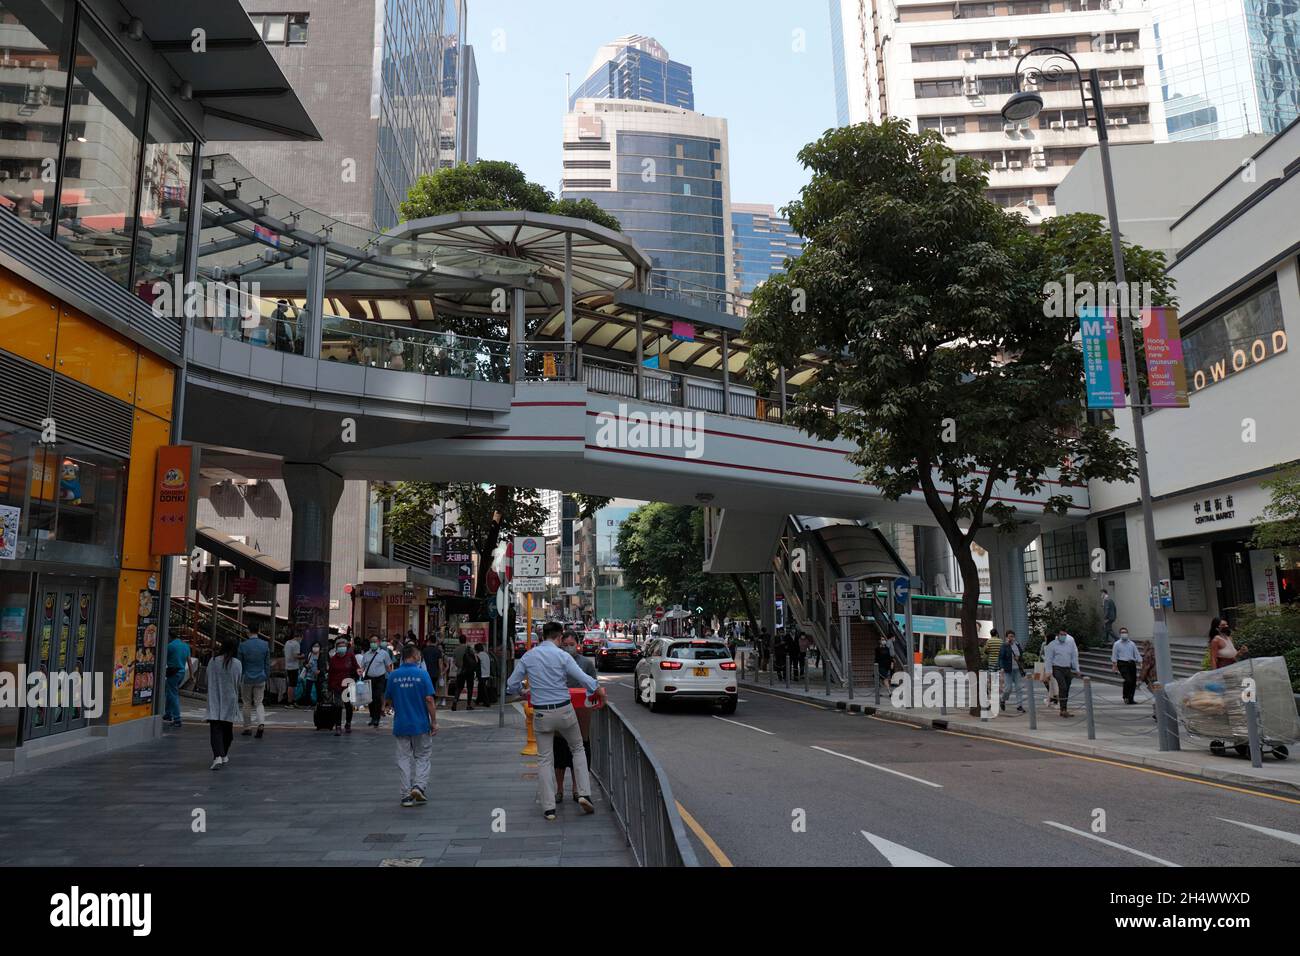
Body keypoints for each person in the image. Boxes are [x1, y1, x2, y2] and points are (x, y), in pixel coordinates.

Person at [505, 621, 606, 821]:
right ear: (559, 637)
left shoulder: (529, 656)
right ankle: (584, 794)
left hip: (542, 714)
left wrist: (524, 693)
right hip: (565, 710)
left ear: (543, 636)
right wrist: (599, 691)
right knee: (578, 748)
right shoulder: (562, 656)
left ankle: (549, 808)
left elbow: (510, 685)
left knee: (544, 759)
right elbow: (584, 678)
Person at [385, 644, 438, 808]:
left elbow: (387, 700)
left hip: (401, 724)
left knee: (403, 759)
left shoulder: (394, 676)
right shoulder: (422, 674)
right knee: (422, 756)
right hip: (420, 724)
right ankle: (419, 786)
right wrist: (434, 721)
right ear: (415, 656)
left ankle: (405, 795)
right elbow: (429, 700)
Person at [554, 630, 599, 801]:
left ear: (577, 645)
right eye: (565, 645)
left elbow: (594, 685)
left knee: (579, 752)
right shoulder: (555, 663)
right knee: (559, 752)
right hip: (560, 711)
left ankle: (576, 789)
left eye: (571, 645)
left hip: (581, 713)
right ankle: (558, 790)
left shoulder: (586, 664)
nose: (568, 648)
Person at [206, 636, 242, 770]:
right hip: (230, 698)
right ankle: (223, 754)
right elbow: (238, 681)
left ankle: (218, 756)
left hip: (215, 697)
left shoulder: (213, 661)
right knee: (228, 730)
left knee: (215, 728)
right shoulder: (237, 663)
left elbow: (207, 678)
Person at [237, 622, 270, 739]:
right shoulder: (265, 644)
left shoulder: (243, 645)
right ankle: (261, 723)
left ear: (248, 631)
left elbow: (239, 664)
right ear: (259, 630)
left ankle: (247, 727)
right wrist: (267, 676)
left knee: (246, 703)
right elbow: (267, 664)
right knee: (259, 702)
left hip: (246, 677)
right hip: (261, 676)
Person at [1042, 628, 1081, 717]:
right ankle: (1062, 709)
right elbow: (1048, 659)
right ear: (1058, 635)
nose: (1063, 636)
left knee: (1066, 688)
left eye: (1064, 635)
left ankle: (1064, 709)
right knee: (1062, 686)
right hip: (1057, 668)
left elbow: (1074, 657)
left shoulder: (1069, 644)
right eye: (1061, 634)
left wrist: (1077, 669)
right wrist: (1048, 672)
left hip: (1067, 668)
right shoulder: (1052, 645)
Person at [326, 635, 360, 735]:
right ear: (336, 648)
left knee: (348, 705)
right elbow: (331, 673)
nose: (342, 647)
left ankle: (348, 724)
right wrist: (329, 686)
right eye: (340, 646)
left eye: (343, 645)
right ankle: (338, 726)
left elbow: (356, 667)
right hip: (336, 685)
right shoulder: (333, 659)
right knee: (338, 706)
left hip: (349, 684)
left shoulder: (350, 656)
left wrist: (358, 672)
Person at [360, 638, 394, 728]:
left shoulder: (384, 654)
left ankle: (377, 718)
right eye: (371, 642)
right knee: (370, 699)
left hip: (380, 678)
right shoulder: (366, 654)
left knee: (377, 697)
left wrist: (392, 676)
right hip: (368, 678)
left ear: (378, 643)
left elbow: (388, 666)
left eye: (375, 642)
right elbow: (362, 666)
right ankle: (372, 717)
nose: (373, 644)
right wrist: (360, 671)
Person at [164, 629, 191, 728]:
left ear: (170, 636)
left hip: (172, 673)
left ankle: (177, 718)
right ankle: (168, 714)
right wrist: (192, 675)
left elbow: (163, 659)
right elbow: (189, 661)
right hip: (182, 673)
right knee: (170, 692)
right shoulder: (185, 645)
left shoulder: (170, 646)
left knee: (173, 694)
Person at [1111, 627, 1141, 704]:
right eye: (1122, 632)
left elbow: (1136, 653)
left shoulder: (1132, 644)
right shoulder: (1117, 644)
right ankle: (1125, 696)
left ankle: (1131, 699)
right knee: (1128, 680)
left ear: (1127, 633)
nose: (1124, 634)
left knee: (1133, 681)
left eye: (1125, 632)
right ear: (1120, 634)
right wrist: (1114, 666)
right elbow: (1114, 655)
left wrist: (1140, 662)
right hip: (1122, 663)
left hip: (1131, 663)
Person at [998, 629, 1025, 713]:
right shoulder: (1004, 646)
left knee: (1019, 688)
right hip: (1008, 670)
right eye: (1010, 636)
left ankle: (1019, 706)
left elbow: (1022, 655)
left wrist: (1019, 658)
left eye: (1013, 636)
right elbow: (1001, 658)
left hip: (1017, 669)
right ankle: (1002, 699)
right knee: (1008, 688)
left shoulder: (1017, 645)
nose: (1011, 638)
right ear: (1006, 637)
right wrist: (1002, 667)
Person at [451, 637, 477, 711]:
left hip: (460, 671)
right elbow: (474, 659)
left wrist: (460, 666)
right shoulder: (469, 648)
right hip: (469, 671)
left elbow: (455, 662)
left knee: (458, 688)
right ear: (466, 640)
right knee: (470, 688)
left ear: (459, 641)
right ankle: (468, 705)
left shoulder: (455, 650)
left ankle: (455, 702)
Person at [283, 631, 301, 707]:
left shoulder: (287, 642)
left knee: (291, 684)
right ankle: (290, 702)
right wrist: (303, 656)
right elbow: (295, 656)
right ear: (299, 637)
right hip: (294, 667)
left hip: (288, 666)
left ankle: (292, 701)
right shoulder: (296, 644)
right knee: (292, 685)